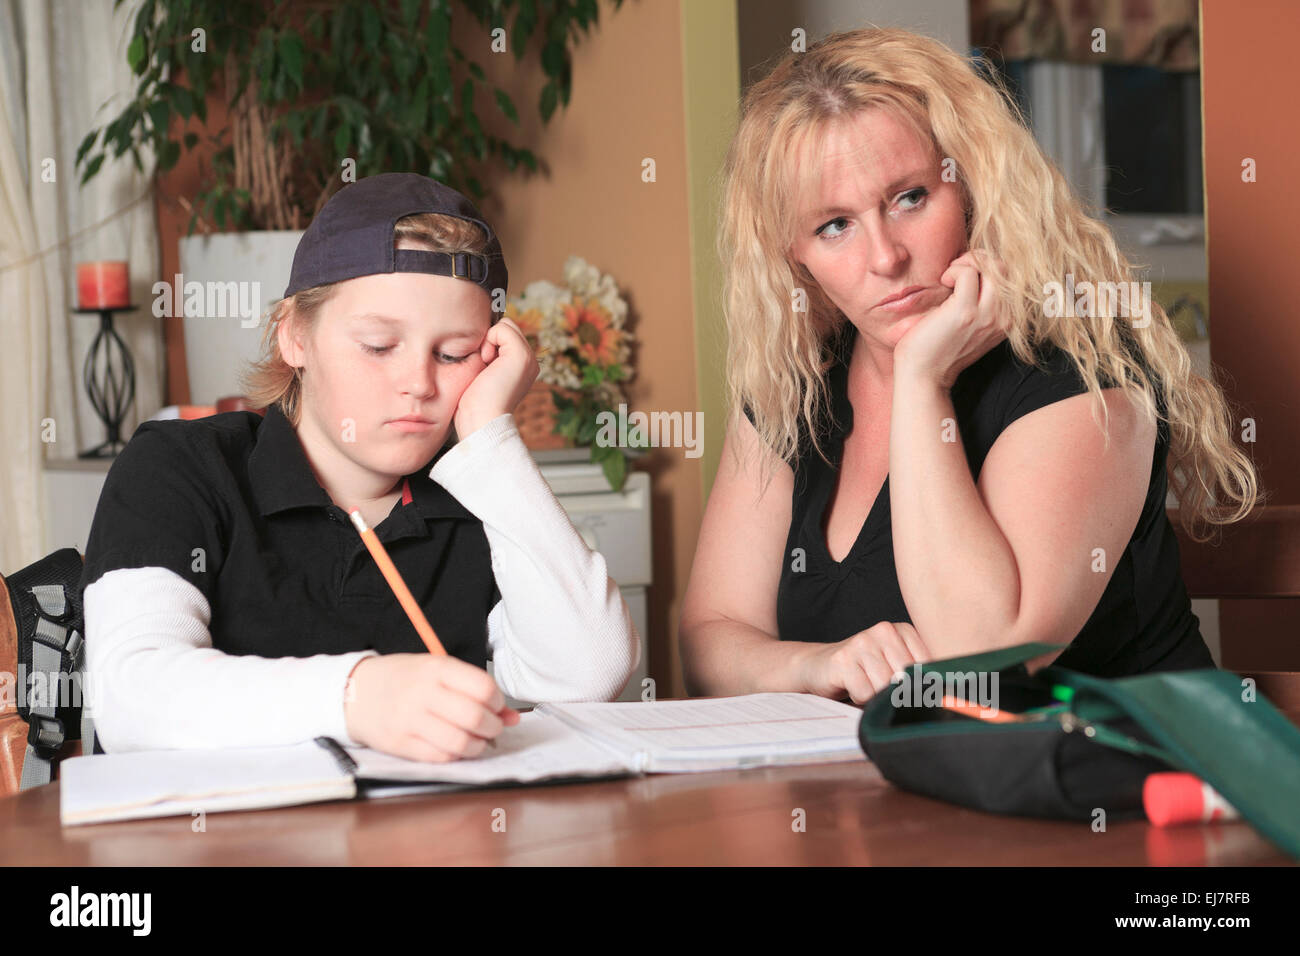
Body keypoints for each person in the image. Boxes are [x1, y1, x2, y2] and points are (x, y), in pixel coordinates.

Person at [680, 28, 1258, 703]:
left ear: (973, 189)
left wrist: (923, 383)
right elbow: (711, 636)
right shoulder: (798, 386)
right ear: (795, 256)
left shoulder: (1082, 375)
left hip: (1128, 790)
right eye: (834, 225)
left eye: (911, 197)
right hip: (890, 797)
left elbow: (985, 661)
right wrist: (816, 666)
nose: (886, 257)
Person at [82, 173, 639, 761]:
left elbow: (589, 673)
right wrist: (356, 697)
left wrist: (489, 438)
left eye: (453, 354)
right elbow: (132, 699)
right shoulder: (179, 468)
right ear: (293, 336)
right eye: (378, 345)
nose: (419, 384)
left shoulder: (480, 500)